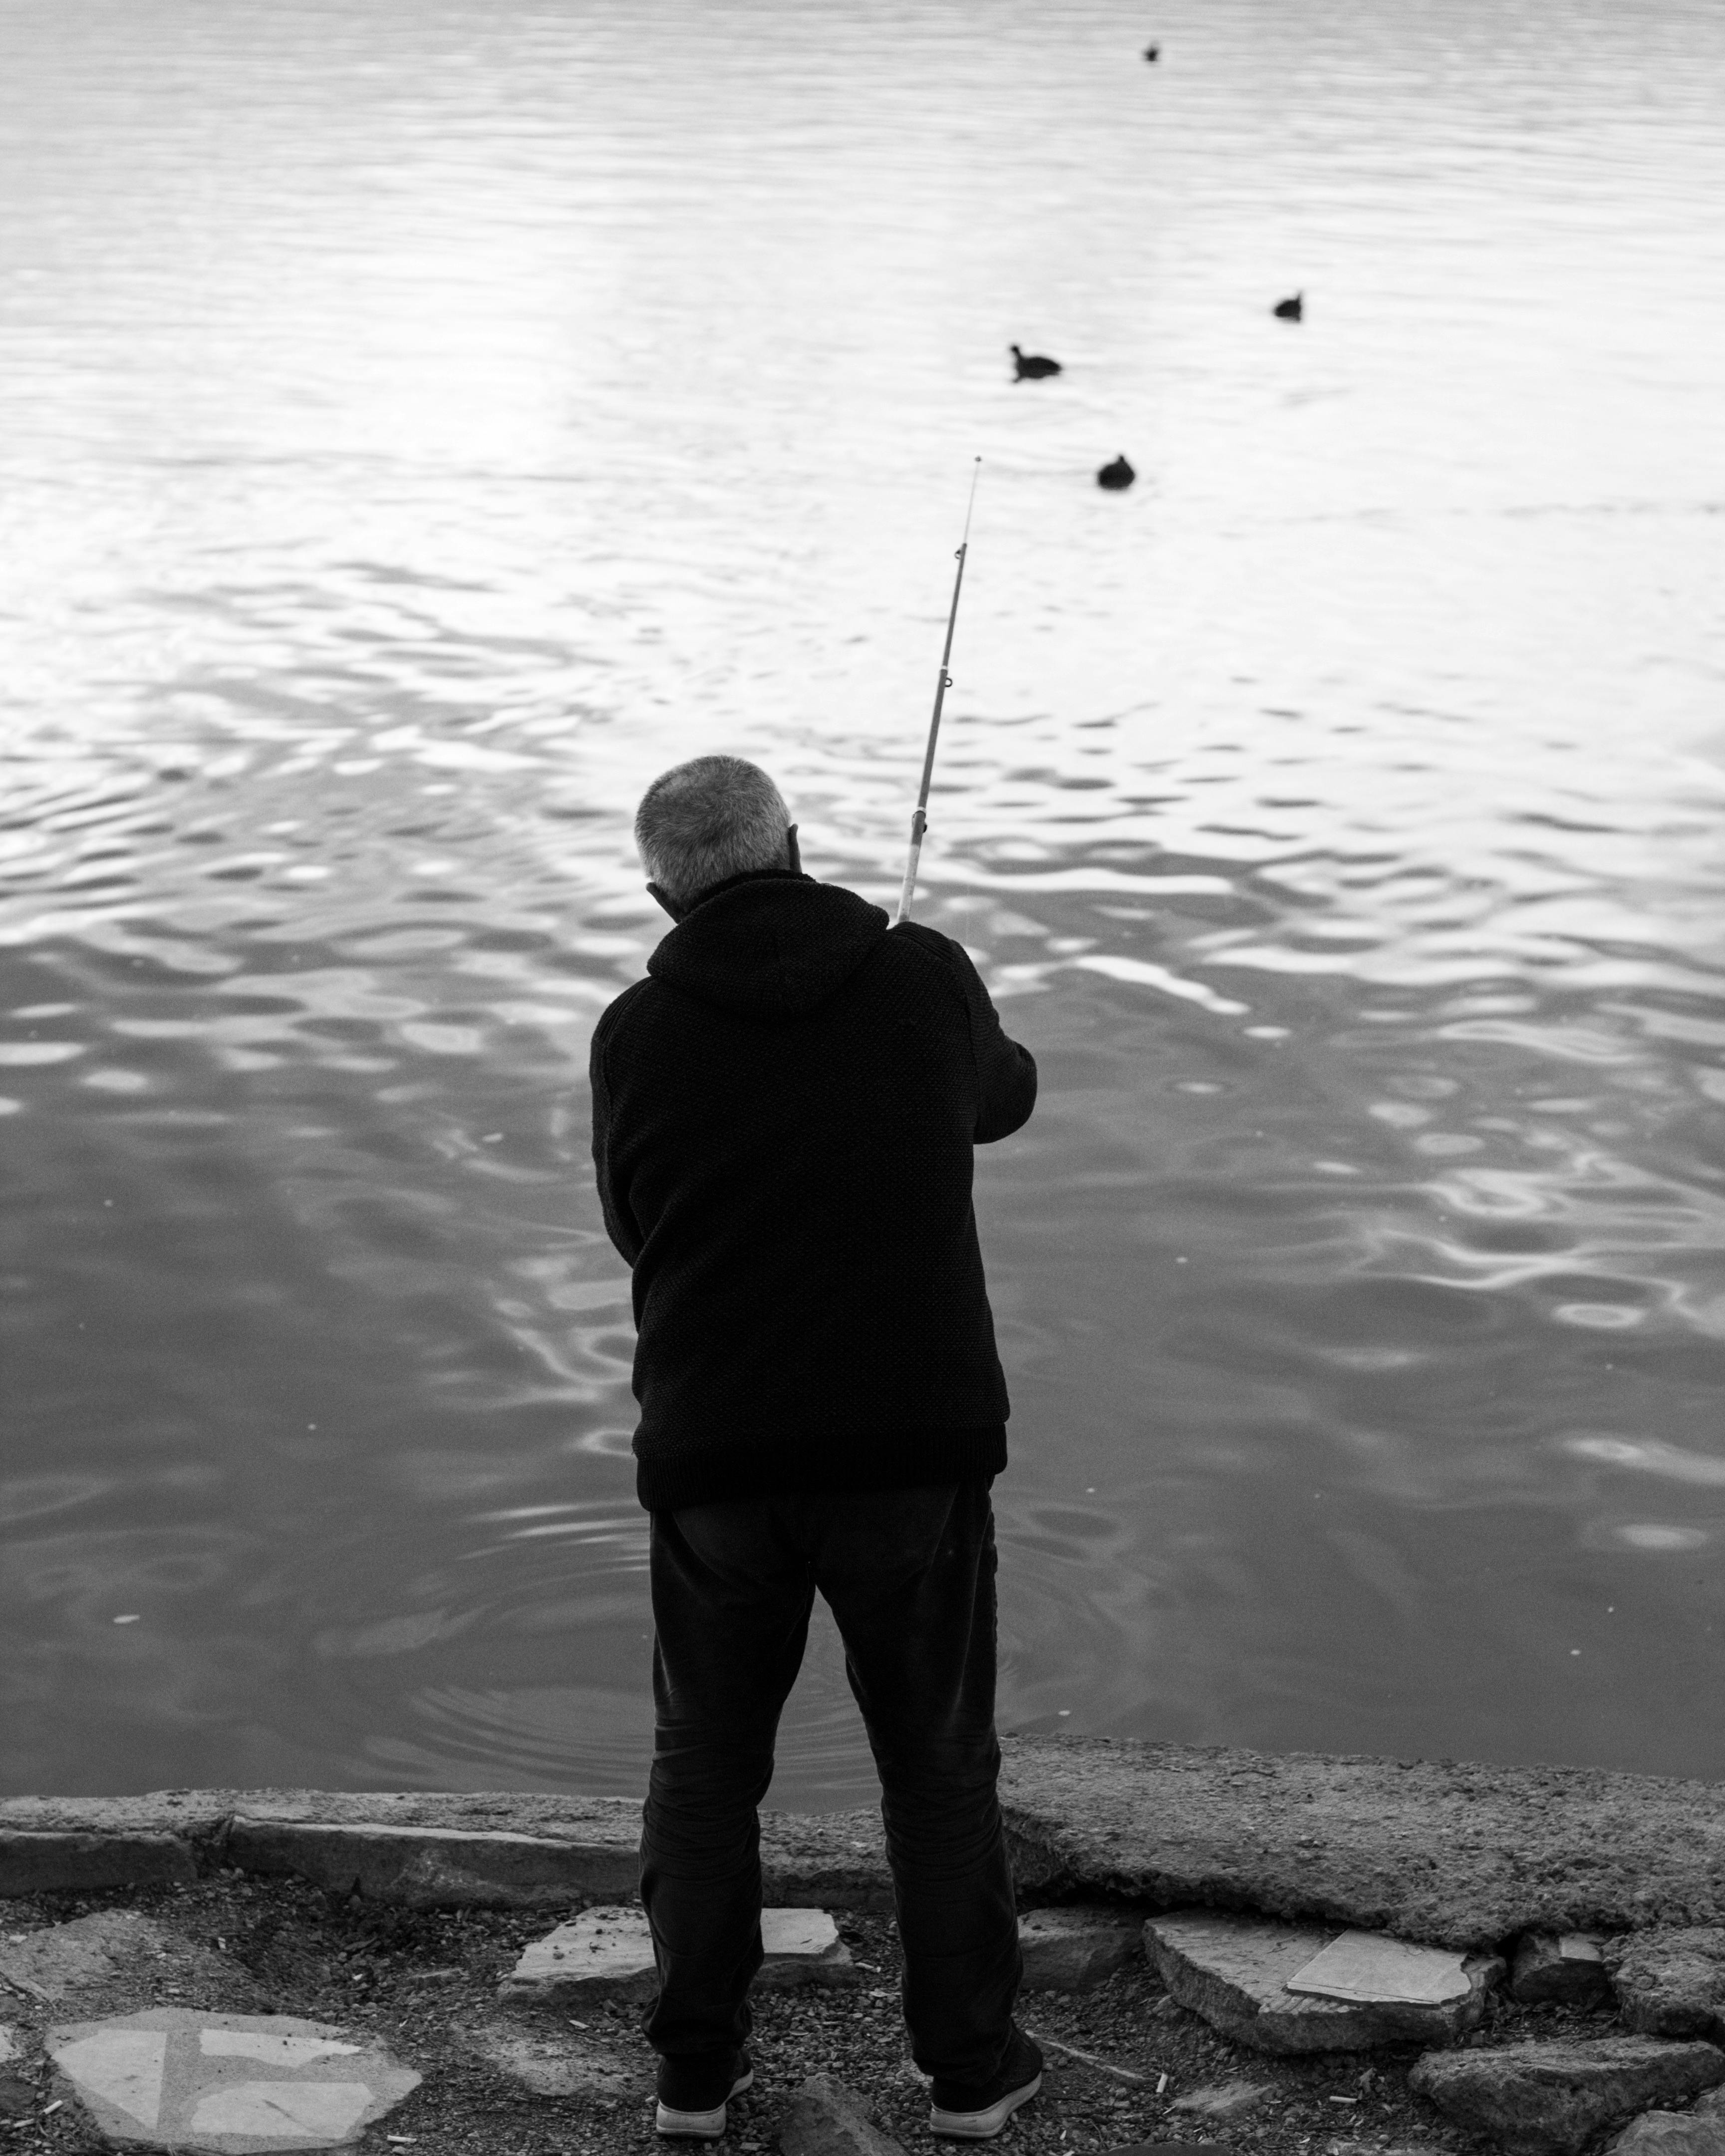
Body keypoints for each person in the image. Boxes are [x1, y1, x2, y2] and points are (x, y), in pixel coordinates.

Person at [589, 755, 1042, 2143]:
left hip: (721, 1455)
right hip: (912, 1448)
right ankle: (968, 2069)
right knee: (937, 1765)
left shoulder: (634, 1031)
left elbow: (631, 1223)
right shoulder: (920, 970)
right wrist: (932, 1020)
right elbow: (1005, 1099)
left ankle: (695, 2072)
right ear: (796, 843)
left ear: (663, 890)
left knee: (708, 1766)